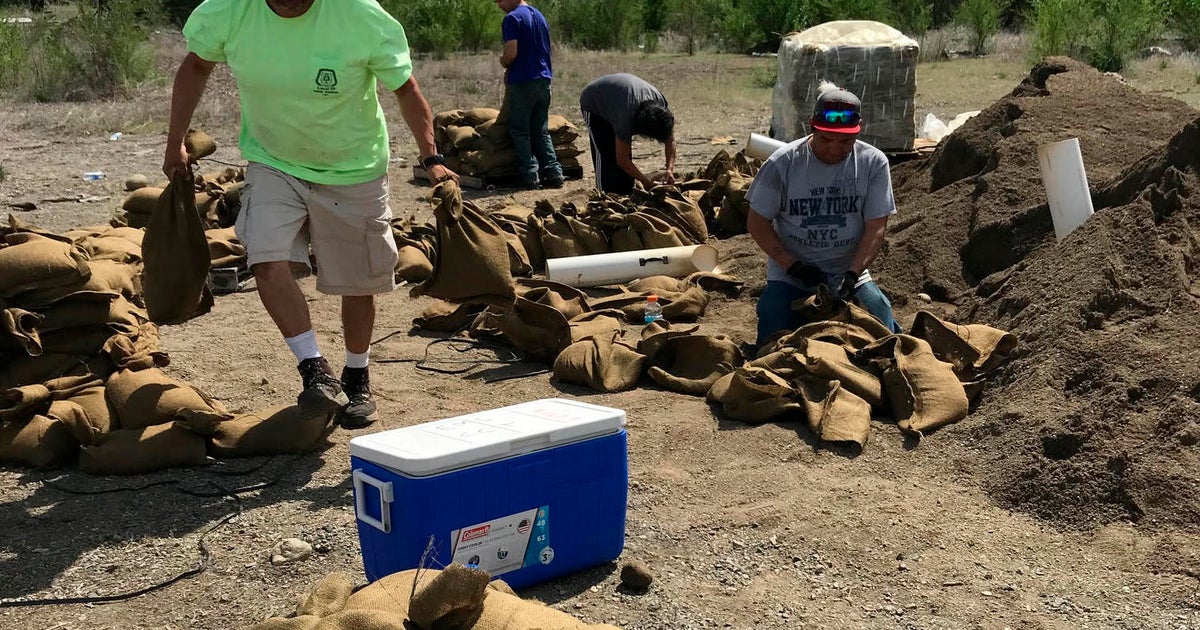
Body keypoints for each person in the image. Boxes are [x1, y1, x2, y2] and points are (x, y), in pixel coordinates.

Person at [163, 0, 458, 429]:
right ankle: (314, 371)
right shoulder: (229, 11)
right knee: (266, 259)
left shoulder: (360, 15)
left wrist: (431, 157)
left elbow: (406, 89)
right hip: (273, 161)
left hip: (352, 166)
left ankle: (357, 376)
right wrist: (174, 141)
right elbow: (195, 68)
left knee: (356, 281)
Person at [746, 85, 902, 347]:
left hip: (847, 271)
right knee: (773, 318)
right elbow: (757, 222)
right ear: (812, 127)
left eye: (845, 141)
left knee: (879, 315)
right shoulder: (782, 163)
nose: (834, 149)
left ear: (859, 129)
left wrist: (852, 275)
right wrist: (794, 266)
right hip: (793, 271)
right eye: (826, 139)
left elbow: (875, 227)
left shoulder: (873, 163)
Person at [496, 0, 562, 190]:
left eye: (500, 0)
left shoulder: (512, 18)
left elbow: (511, 51)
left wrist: (503, 61)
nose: (499, 5)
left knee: (519, 130)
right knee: (540, 130)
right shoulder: (539, 15)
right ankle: (554, 172)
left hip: (523, 81)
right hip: (544, 80)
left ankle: (530, 174)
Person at [579, 73, 676, 194]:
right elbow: (622, 160)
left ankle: (626, 192)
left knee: (624, 156)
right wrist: (646, 182)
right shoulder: (626, 119)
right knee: (607, 156)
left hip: (619, 98)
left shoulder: (661, 105)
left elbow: (670, 140)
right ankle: (604, 196)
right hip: (595, 104)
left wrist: (669, 169)